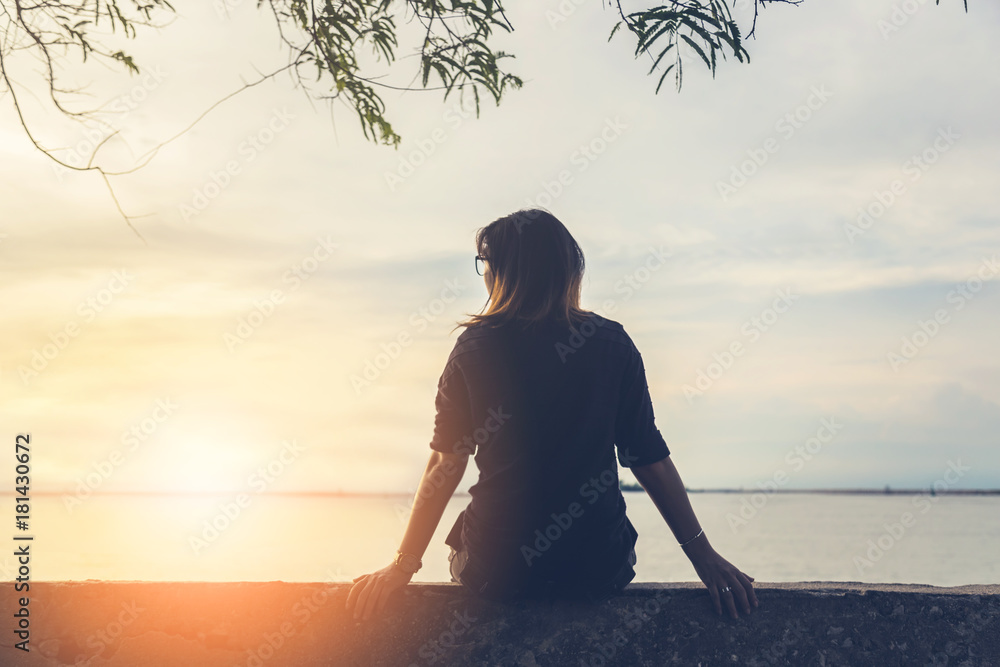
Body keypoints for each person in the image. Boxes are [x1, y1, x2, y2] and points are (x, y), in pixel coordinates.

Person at [346, 209, 757, 621]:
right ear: (567, 271)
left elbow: (447, 461)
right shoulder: (612, 344)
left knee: (466, 533)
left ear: (503, 271)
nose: (484, 274)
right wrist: (702, 556)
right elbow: (649, 458)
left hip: (498, 572)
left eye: (485, 264)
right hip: (600, 569)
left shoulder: (473, 349)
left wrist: (403, 564)